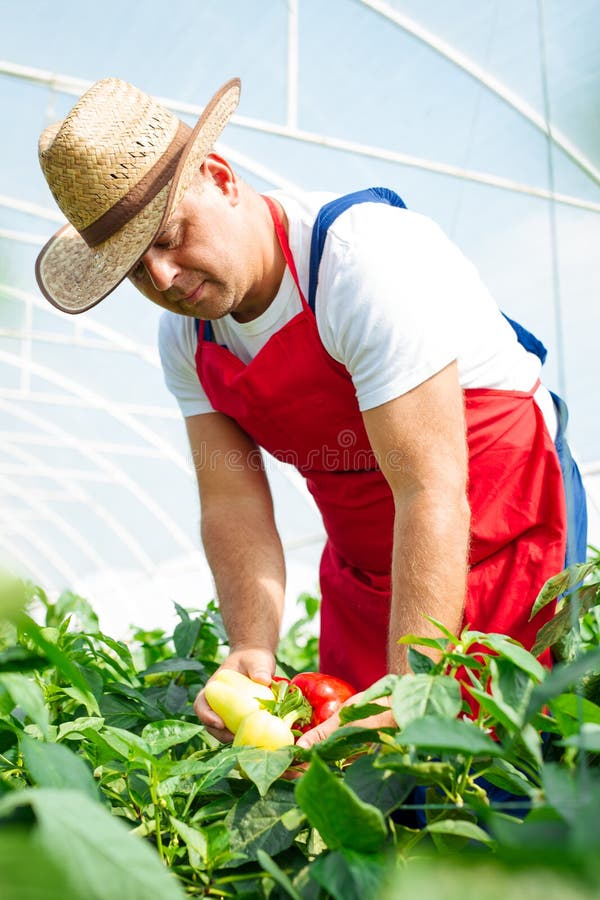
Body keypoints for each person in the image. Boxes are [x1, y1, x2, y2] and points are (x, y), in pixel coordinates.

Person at [35, 76, 587, 748]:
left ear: (220, 177)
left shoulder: (361, 263)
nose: (164, 279)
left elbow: (430, 487)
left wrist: (413, 685)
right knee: (361, 787)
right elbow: (231, 504)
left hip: (498, 519)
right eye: (133, 268)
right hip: (366, 565)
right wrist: (251, 648)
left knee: (499, 770)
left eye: (171, 236)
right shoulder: (188, 337)